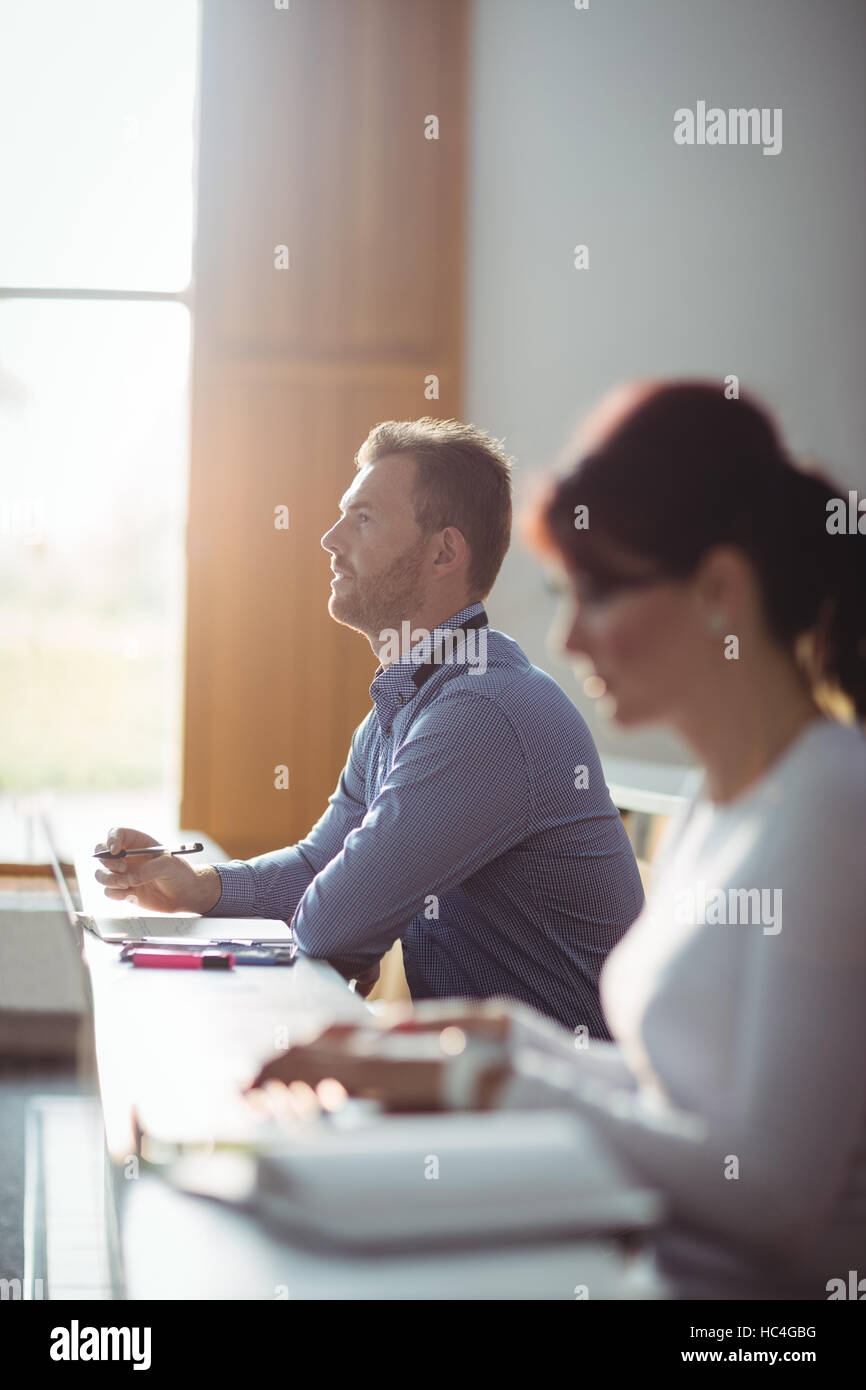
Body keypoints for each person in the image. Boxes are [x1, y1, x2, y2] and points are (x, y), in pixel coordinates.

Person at [249, 383, 866, 1300]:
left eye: (601, 592)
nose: (570, 637)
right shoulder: (720, 803)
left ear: (720, 591)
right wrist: (505, 1040)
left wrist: (485, 1082)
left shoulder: (832, 804)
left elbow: (771, 1195)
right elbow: (679, 1097)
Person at [95, 417, 643, 1035]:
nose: (330, 539)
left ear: (443, 552)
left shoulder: (482, 712)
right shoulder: (411, 702)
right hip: (491, 1088)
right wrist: (198, 884)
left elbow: (332, 922)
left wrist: (348, 937)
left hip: (564, 1105)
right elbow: (318, 868)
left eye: (362, 519)